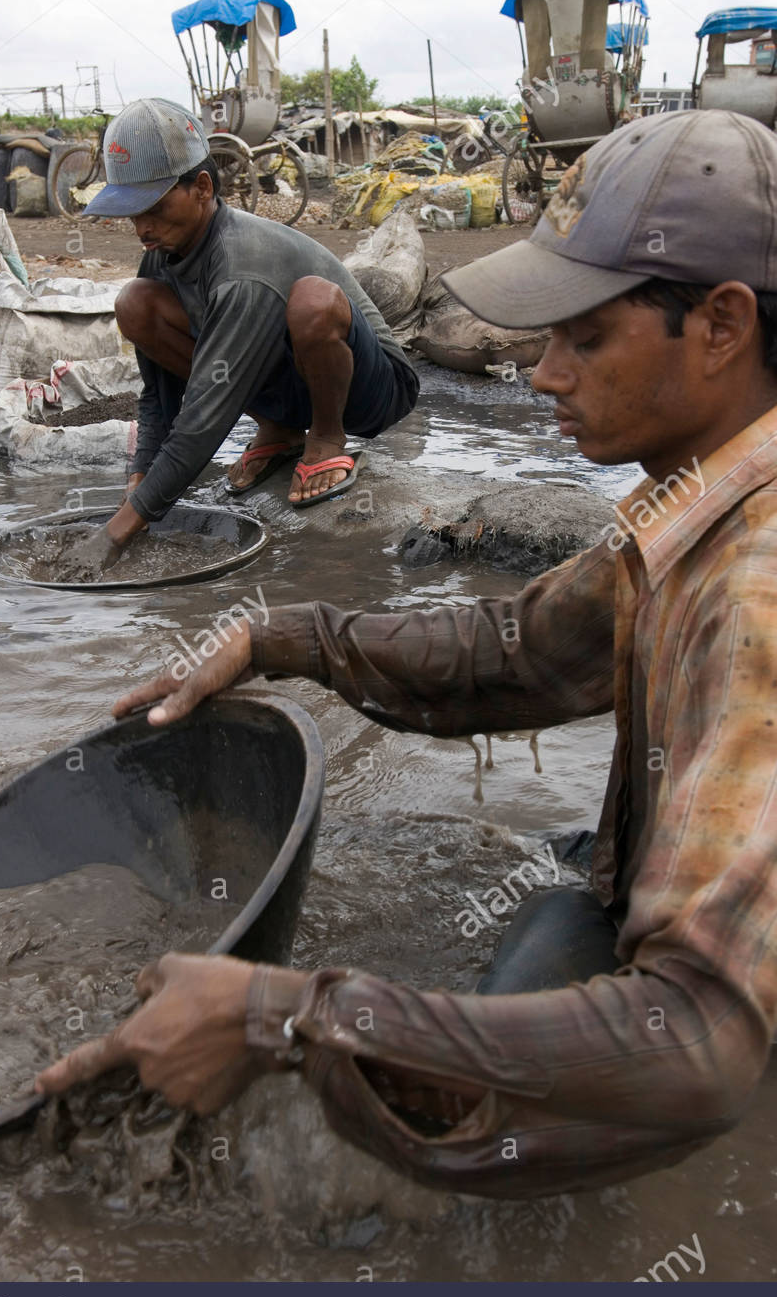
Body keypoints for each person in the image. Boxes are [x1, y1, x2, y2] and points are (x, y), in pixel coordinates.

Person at [38, 109, 777, 1198]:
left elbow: (695, 1037)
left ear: (718, 325)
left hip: (716, 1005)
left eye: (582, 338)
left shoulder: (755, 588)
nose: (540, 377)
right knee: (540, 937)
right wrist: (276, 637)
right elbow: (519, 648)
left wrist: (278, 1012)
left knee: (467, 1105)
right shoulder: (691, 505)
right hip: (675, 887)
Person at [59, 98, 419, 580]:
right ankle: (280, 429)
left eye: (155, 208)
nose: (142, 228)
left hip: (369, 389)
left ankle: (326, 438)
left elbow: (204, 418)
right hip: (288, 381)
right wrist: (139, 480)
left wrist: (115, 535)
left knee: (312, 302)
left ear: (202, 188)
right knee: (134, 303)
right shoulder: (162, 255)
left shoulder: (240, 263)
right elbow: (159, 395)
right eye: (131, 213)